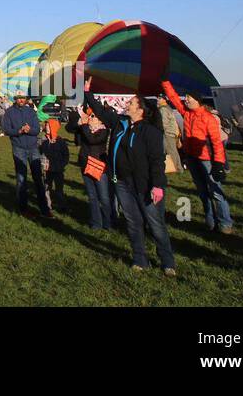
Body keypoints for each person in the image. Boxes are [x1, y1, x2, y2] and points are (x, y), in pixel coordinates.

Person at [87, 79, 175, 274]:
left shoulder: (151, 132)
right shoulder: (120, 124)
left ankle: (167, 261)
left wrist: (158, 185)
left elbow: (156, 161)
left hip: (146, 185)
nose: (128, 104)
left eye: (132, 103)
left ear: (141, 110)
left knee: (155, 224)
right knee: (133, 222)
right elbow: (100, 112)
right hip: (123, 183)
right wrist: (87, 92)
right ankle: (139, 259)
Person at [161, 80, 232, 234]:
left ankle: (225, 222)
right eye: (186, 97)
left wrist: (219, 163)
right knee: (201, 190)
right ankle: (210, 219)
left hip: (206, 158)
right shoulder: (187, 114)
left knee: (215, 190)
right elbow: (173, 98)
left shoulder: (208, 118)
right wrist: (165, 81)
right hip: (192, 157)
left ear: (197, 100)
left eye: (189, 97)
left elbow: (216, 143)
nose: (186, 99)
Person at [0, 93, 49, 217]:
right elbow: (6, 130)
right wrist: (19, 131)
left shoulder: (31, 112)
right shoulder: (9, 112)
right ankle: (23, 209)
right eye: (18, 98)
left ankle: (45, 209)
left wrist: (29, 130)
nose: (21, 100)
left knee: (38, 179)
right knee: (21, 179)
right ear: (15, 100)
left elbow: (37, 129)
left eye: (23, 98)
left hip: (33, 148)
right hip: (19, 148)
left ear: (26, 100)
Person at [74, 103, 113, 230]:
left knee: (104, 197)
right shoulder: (85, 129)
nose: (91, 118)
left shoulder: (103, 131)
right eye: (90, 115)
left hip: (98, 166)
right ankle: (96, 222)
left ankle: (108, 222)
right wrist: (79, 122)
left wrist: (85, 126)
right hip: (85, 164)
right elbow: (72, 130)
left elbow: (92, 140)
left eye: (93, 116)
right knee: (92, 196)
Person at [39, 120, 69, 210]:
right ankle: (47, 205)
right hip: (46, 169)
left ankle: (62, 206)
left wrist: (62, 165)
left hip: (58, 169)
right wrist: (42, 164)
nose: (47, 128)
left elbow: (66, 155)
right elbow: (38, 153)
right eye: (46, 126)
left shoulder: (60, 141)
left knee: (59, 190)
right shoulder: (42, 139)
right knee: (46, 188)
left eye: (49, 126)